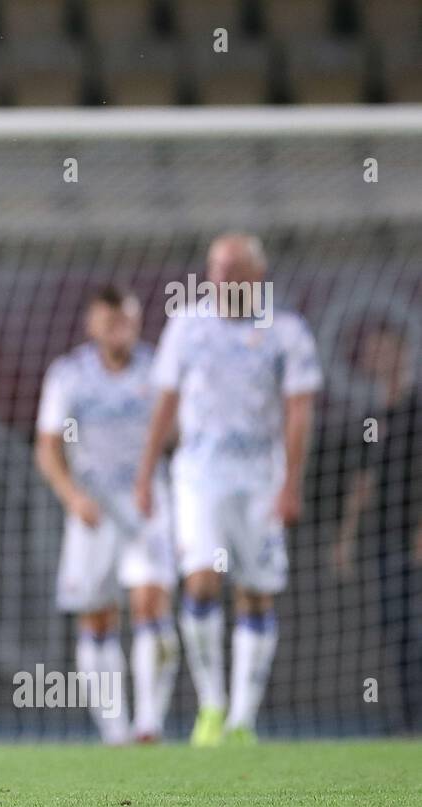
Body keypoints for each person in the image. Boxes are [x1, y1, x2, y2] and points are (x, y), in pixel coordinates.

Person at [136, 233, 322, 746]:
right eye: (216, 268)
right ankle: (212, 705)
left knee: (257, 594)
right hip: (200, 476)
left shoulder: (286, 332)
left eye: (232, 268)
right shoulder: (188, 326)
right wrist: (145, 474)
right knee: (199, 581)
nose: (220, 278)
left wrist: (291, 482)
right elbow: (165, 404)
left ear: (256, 276)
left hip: (261, 477)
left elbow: (299, 411)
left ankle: (243, 719)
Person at [35, 286, 178, 744]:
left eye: (128, 321)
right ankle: (114, 731)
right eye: (111, 321)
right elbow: (47, 446)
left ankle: (149, 724)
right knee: (97, 617)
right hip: (93, 506)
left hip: (145, 501)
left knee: (150, 602)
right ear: (92, 326)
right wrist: (72, 496)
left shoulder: (158, 369)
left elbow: (179, 432)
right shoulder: (69, 375)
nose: (121, 329)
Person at [334, 322, 422, 732]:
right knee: (398, 628)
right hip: (385, 536)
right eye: (369, 352)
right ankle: (409, 719)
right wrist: (346, 538)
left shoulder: (417, 406)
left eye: (381, 350)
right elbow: (364, 480)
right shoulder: (374, 415)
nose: (373, 359)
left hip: (414, 532)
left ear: (401, 351)